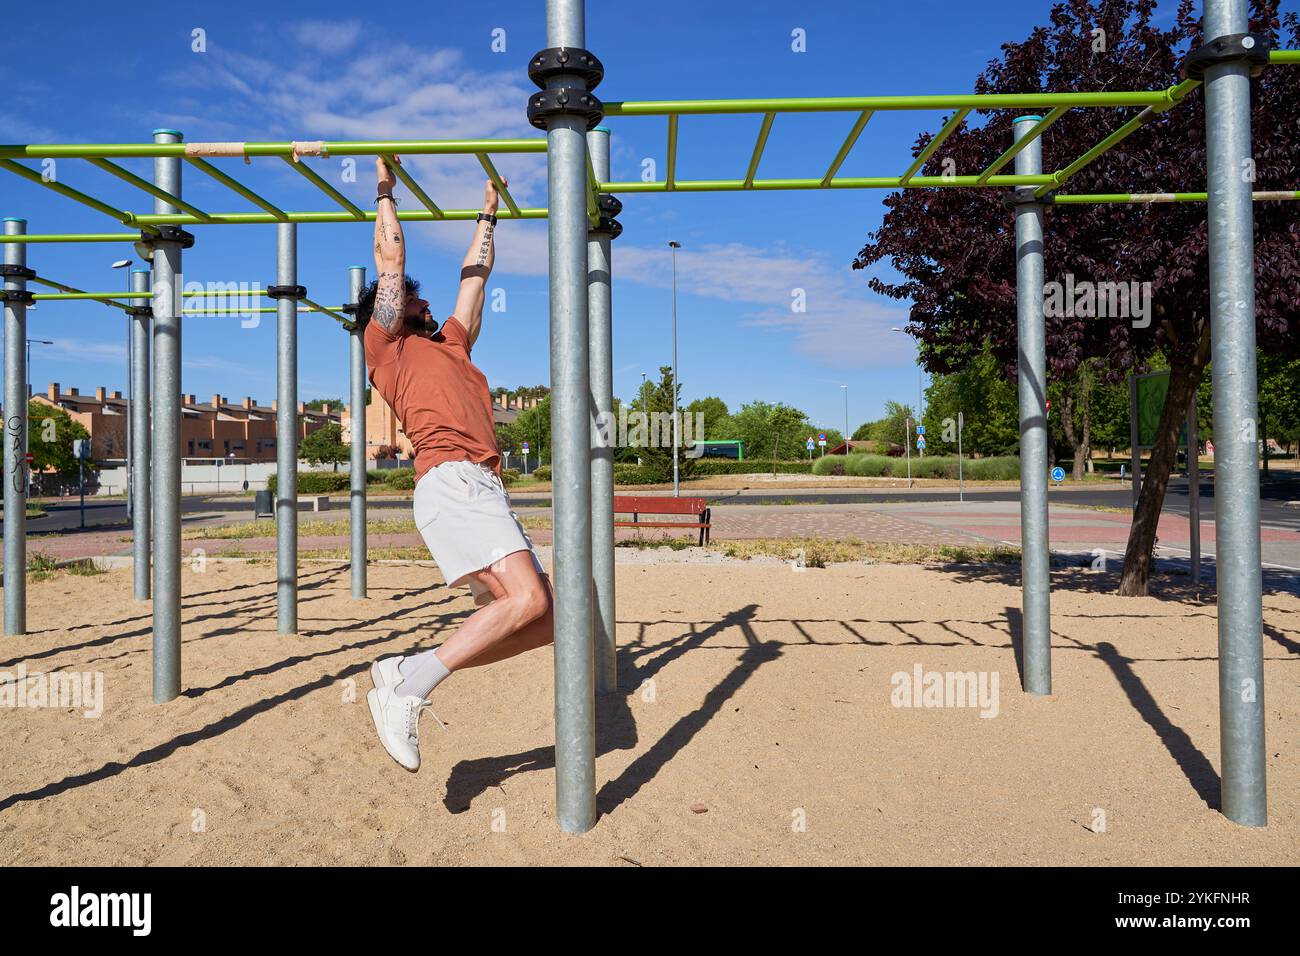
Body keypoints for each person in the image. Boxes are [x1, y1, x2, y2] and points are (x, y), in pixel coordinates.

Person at [359, 156, 553, 771]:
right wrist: (385, 190)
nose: (422, 297)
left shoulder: (452, 343)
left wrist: (488, 209)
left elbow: (476, 276)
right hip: (450, 479)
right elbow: (391, 258)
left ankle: (405, 670)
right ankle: (408, 687)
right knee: (527, 600)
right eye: (413, 295)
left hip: (482, 486)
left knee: (548, 617)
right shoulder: (386, 344)